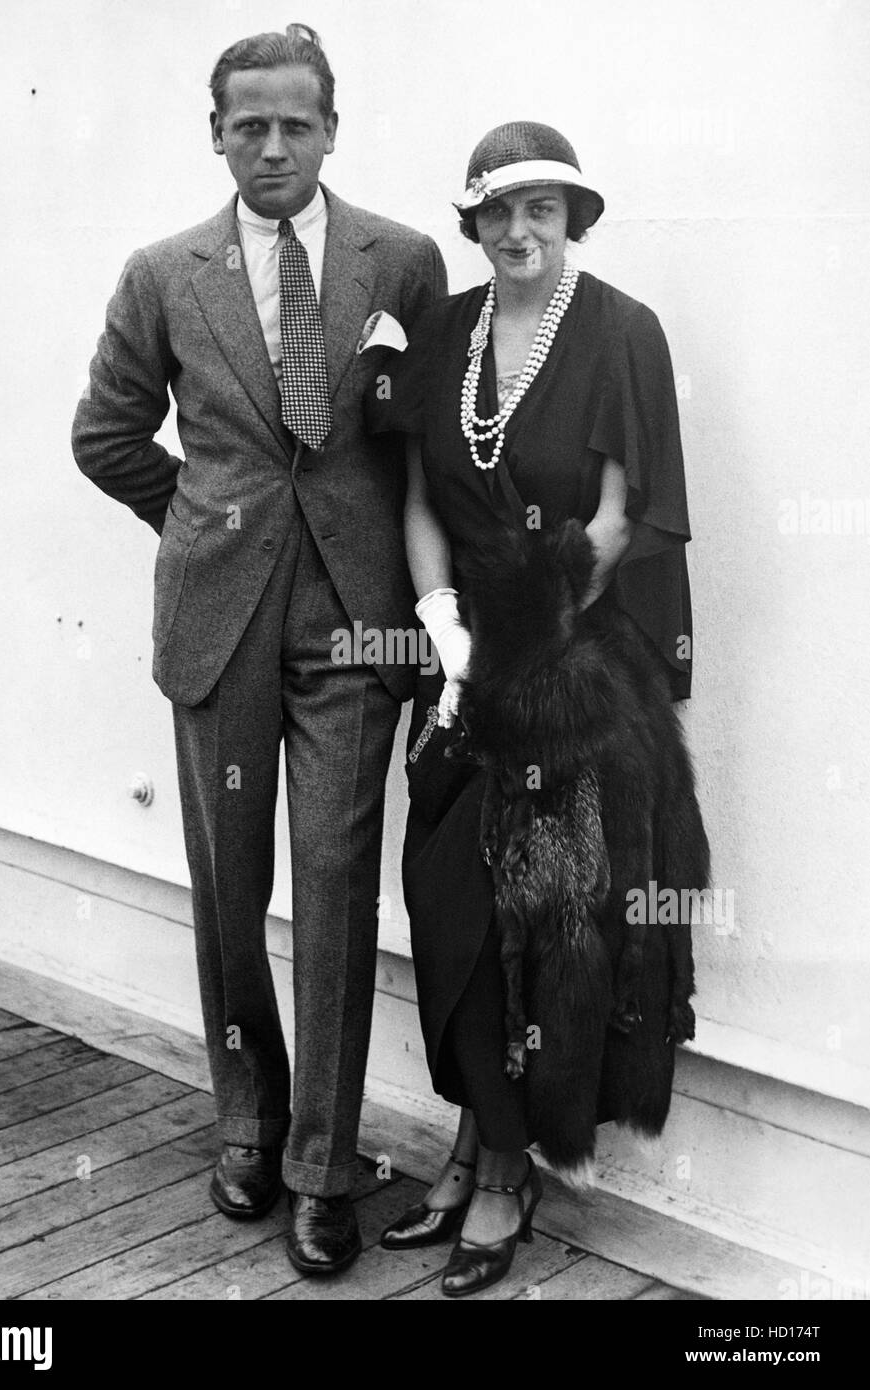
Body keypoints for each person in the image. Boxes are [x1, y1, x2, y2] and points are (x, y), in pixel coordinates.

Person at [71, 24, 446, 1278]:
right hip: (219, 621)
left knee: (337, 890)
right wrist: (199, 516)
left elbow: (427, 445)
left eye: (296, 123)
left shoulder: (404, 263)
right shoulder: (163, 273)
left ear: (332, 128)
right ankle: (249, 1118)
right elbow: (106, 434)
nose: (272, 145)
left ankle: (325, 1171)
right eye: (249, 125)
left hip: (357, 618)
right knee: (231, 887)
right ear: (216, 132)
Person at [367, 121, 698, 1297]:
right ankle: (469, 1143)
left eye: (542, 212)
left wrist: (519, 634)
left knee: (536, 931)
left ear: (573, 218)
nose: (518, 233)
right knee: (450, 906)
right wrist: (441, 614)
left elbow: (617, 520)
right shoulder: (448, 330)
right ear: (473, 221)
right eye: (497, 213)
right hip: (461, 669)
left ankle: (506, 1171)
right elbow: (417, 493)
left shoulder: (621, 331)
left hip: (572, 674)